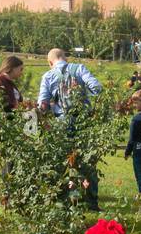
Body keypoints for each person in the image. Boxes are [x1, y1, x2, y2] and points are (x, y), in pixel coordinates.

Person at [37, 47, 104, 210]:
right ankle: (91, 202)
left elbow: (43, 105)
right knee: (88, 161)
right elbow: (97, 88)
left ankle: (64, 200)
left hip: (62, 123)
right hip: (83, 121)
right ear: (65, 57)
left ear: (50, 62)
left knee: (62, 162)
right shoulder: (79, 68)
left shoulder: (48, 75)